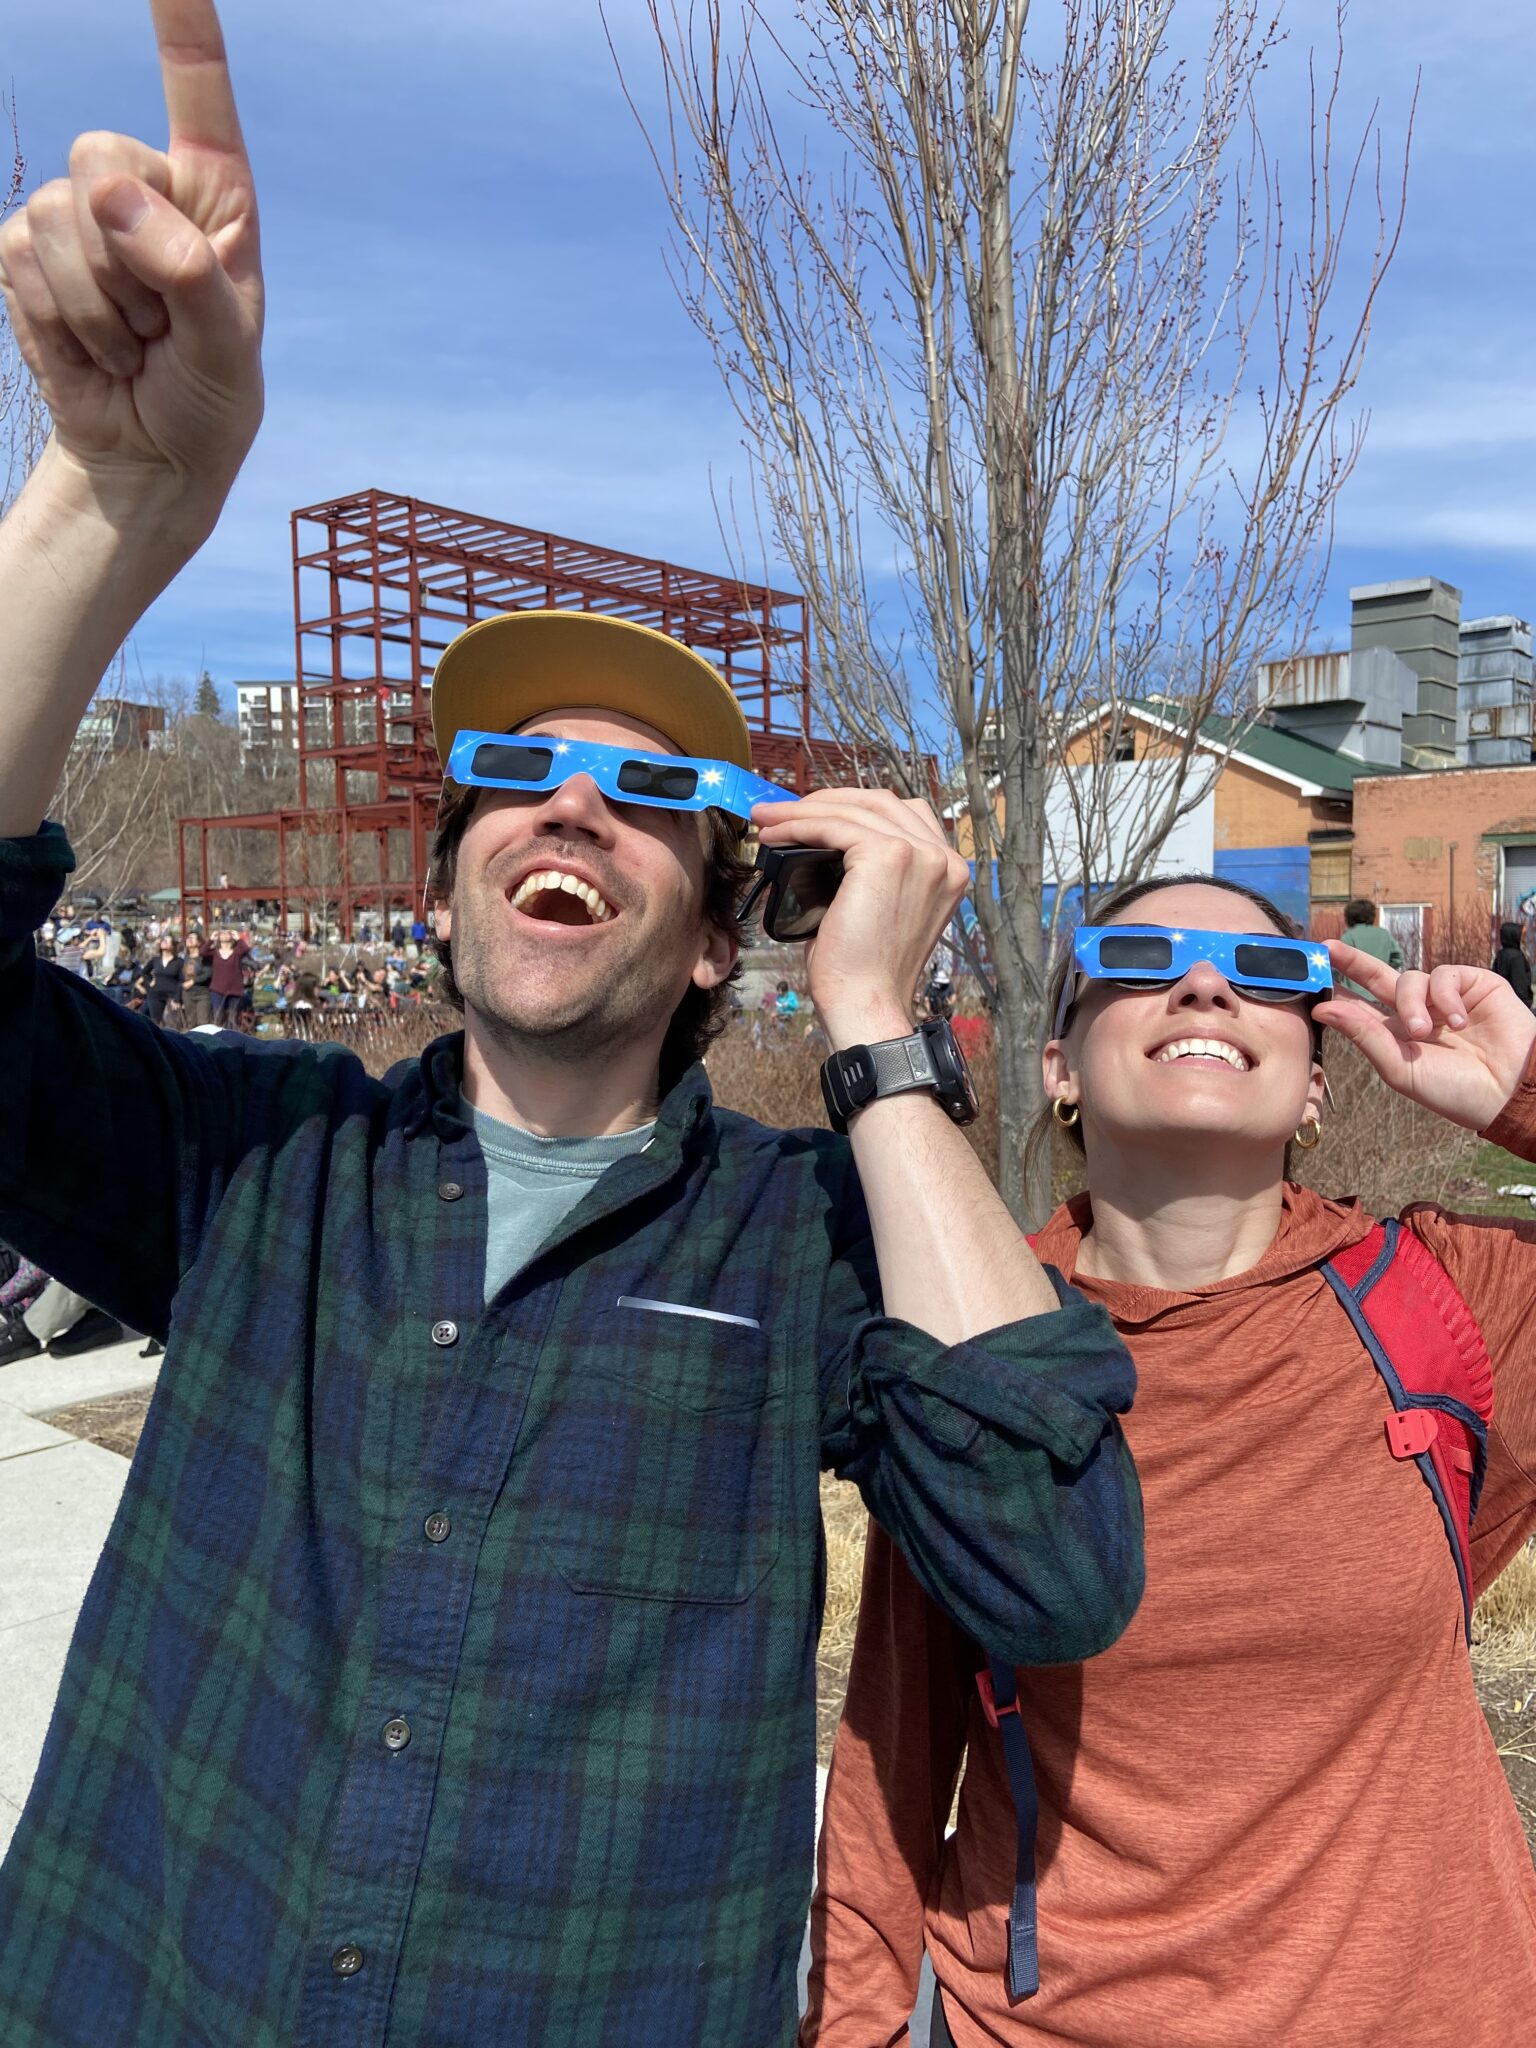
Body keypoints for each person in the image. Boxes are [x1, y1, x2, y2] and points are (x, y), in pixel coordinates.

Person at [0, 11, 1143, 2042]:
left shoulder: (805, 1240)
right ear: (450, 870)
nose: (574, 801)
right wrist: (103, 502)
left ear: (720, 937)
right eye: (517, 763)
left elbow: (1055, 1557)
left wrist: (873, 1020)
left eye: (657, 799)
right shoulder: (256, 1165)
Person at [804, 873, 1536, 2048]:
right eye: (1139, 956)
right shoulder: (973, 1332)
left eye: (1267, 971)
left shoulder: (1445, 1301)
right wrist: (851, 2027)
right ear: (1059, 1068)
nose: (1203, 981)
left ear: (1316, 1086)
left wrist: (1519, 1092)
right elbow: (896, 1731)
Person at [1339, 893, 1403, 995]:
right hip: (1381, 992)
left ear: (1349, 917)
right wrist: (1384, 968)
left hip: (1354, 993)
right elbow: (1398, 959)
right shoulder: (1384, 934)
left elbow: (1338, 963)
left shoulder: (1349, 936)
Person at [1491, 920, 1533, 1007]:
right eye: (1523, 935)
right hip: (1517, 1005)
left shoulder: (1501, 954)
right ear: (1515, 936)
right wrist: (1525, 1005)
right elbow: (1520, 985)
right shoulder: (1516, 957)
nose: (1524, 939)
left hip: (1502, 1001)